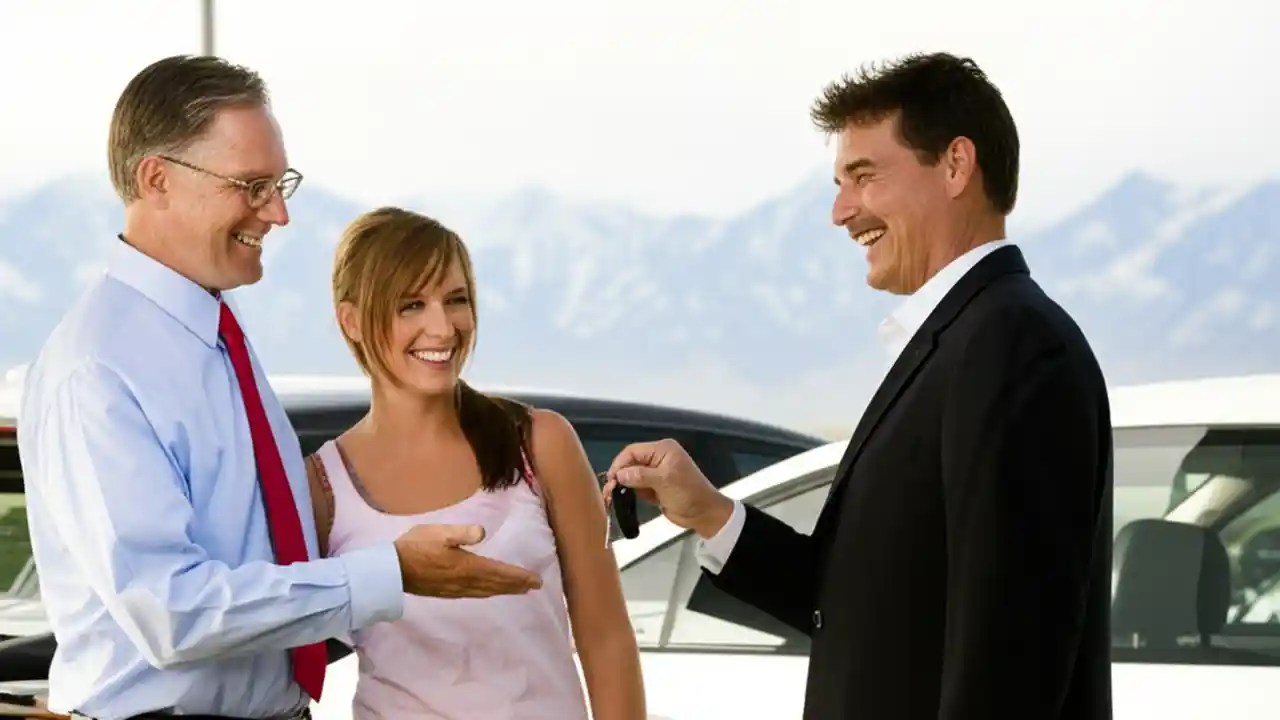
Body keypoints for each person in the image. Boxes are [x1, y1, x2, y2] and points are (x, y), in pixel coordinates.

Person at [17, 55, 541, 720]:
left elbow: (262, 553)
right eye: (252, 185)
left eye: (280, 183)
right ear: (158, 180)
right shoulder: (98, 367)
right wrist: (391, 572)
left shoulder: (212, 339)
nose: (279, 213)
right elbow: (172, 612)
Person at [604, 52, 1113, 719]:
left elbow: (1012, 648)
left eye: (863, 177)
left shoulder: (1014, 347)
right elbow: (852, 602)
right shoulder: (966, 342)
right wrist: (709, 513)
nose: (841, 211)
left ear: (956, 166)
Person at [303, 207, 645, 719]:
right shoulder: (322, 486)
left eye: (456, 300)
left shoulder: (539, 443)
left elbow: (606, 638)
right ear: (349, 320)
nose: (442, 327)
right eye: (411, 305)